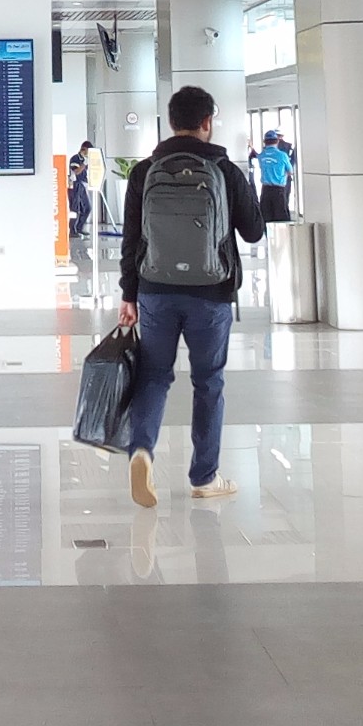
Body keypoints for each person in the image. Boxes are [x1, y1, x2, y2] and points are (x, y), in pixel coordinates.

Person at [118, 84, 266, 508]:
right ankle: (204, 476)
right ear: (207, 122)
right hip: (211, 293)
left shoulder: (145, 171)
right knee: (208, 382)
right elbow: (253, 231)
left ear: (170, 122)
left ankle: (142, 451)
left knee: (153, 375)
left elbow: (132, 239)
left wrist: (129, 294)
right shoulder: (224, 168)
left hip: (155, 291)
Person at [257, 130, 294, 223]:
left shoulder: (261, 155)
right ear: (277, 141)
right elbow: (290, 171)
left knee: (265, 217)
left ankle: (268, 237)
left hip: (265, 190)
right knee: (281, 218)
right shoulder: (282, 155)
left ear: (264, 142)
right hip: (279, 190)